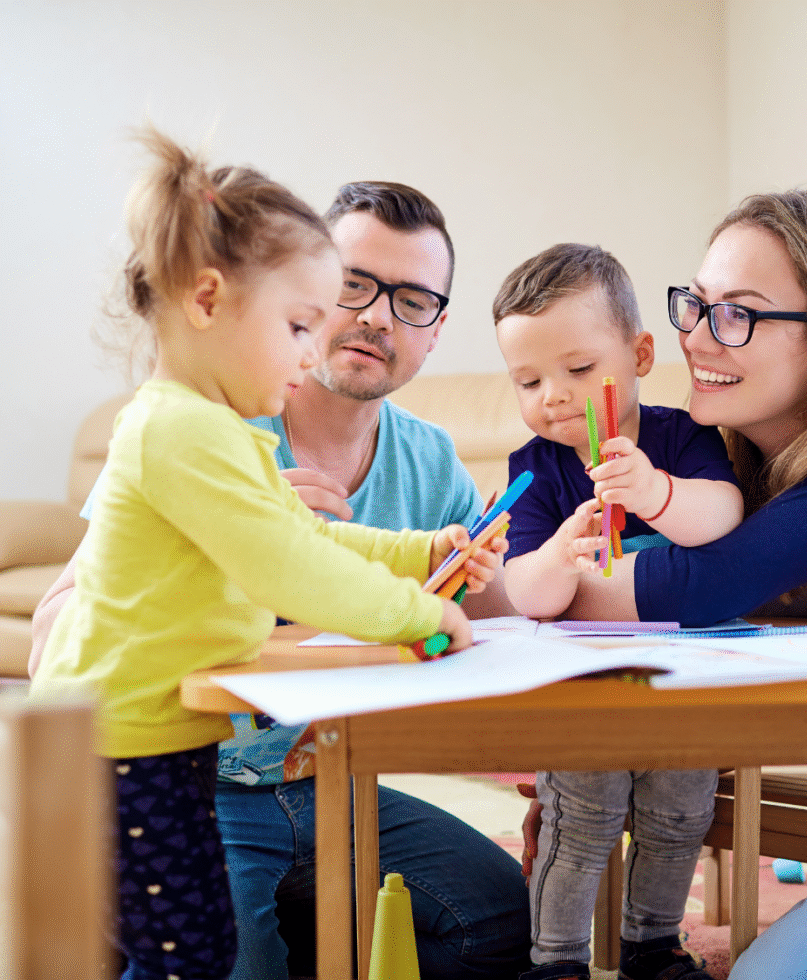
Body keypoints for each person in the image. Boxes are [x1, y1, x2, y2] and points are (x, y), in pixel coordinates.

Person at [28, 129, 500, 980]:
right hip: (133, 754)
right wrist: (418, 613)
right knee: (193, 953)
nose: (324, 341)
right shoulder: (186, 431)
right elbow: (293, 567)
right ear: (208, 303)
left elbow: (312, 539)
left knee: (194, 945)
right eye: (305, 320)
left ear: (434, 329)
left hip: (251, 764)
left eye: (411, 301)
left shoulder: (225, 436)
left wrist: (422, 549)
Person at [528, 190, 807, 980]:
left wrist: (520, 589)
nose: (698, 336)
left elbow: (701, 587)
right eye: (695, 305)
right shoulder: (737, 475)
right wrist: (586, 762)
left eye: (737, 313)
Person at [493, 243, 743, 980]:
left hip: (683, 683)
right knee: (582, 824)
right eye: (528, 380)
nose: (554, 396)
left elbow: (724, 516)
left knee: (679, 817)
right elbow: (528, 594)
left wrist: (657, 493)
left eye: (576, 370)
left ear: (639, 354)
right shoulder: (534, 468)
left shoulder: (679, 438)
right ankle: (558, 958)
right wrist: (559, 557)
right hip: (585, 693)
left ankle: (653, 943)